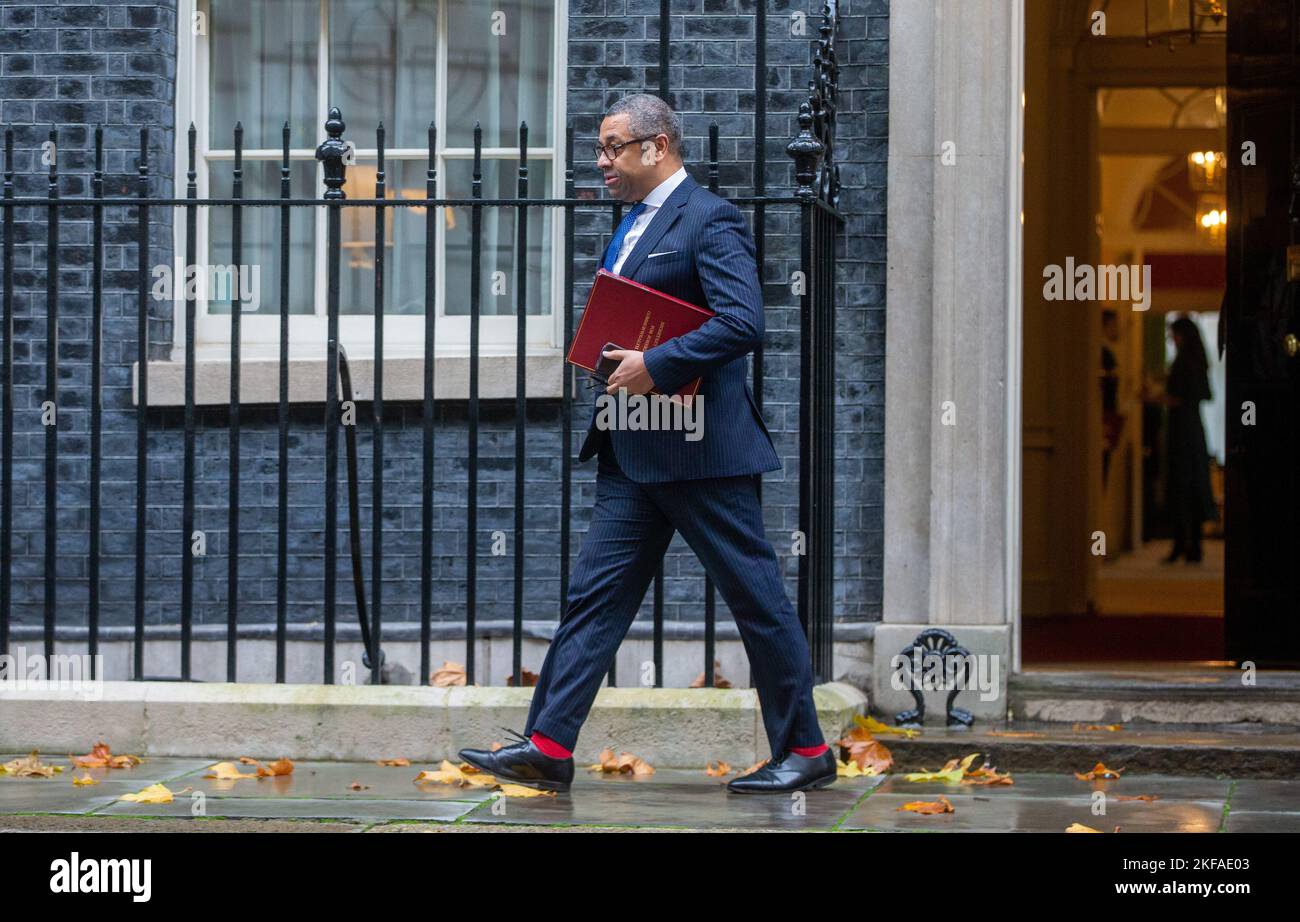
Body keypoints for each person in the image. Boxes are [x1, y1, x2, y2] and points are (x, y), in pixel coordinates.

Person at [457, 93, 836, 794]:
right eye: (601, 149)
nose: (601, 161)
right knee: (594, 598)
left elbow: (743, 322)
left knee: (755, 597)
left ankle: (806, 749)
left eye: (612, 147)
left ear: (657, 146)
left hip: (700, 450)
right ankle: (548, 744)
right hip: (634, 447)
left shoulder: (709, 218)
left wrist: (654, 364)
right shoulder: (633, 223)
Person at [1146, 315, 1218, 564]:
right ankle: (1193, 545)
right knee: (1194, 484)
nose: (1172, 340)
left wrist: (1157, 398)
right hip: (1193, 428)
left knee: (1180, 484)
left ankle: (1181, 543)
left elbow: (1180, 397)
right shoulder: (1197, 361)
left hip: (1182, 428)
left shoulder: (1184, 362)